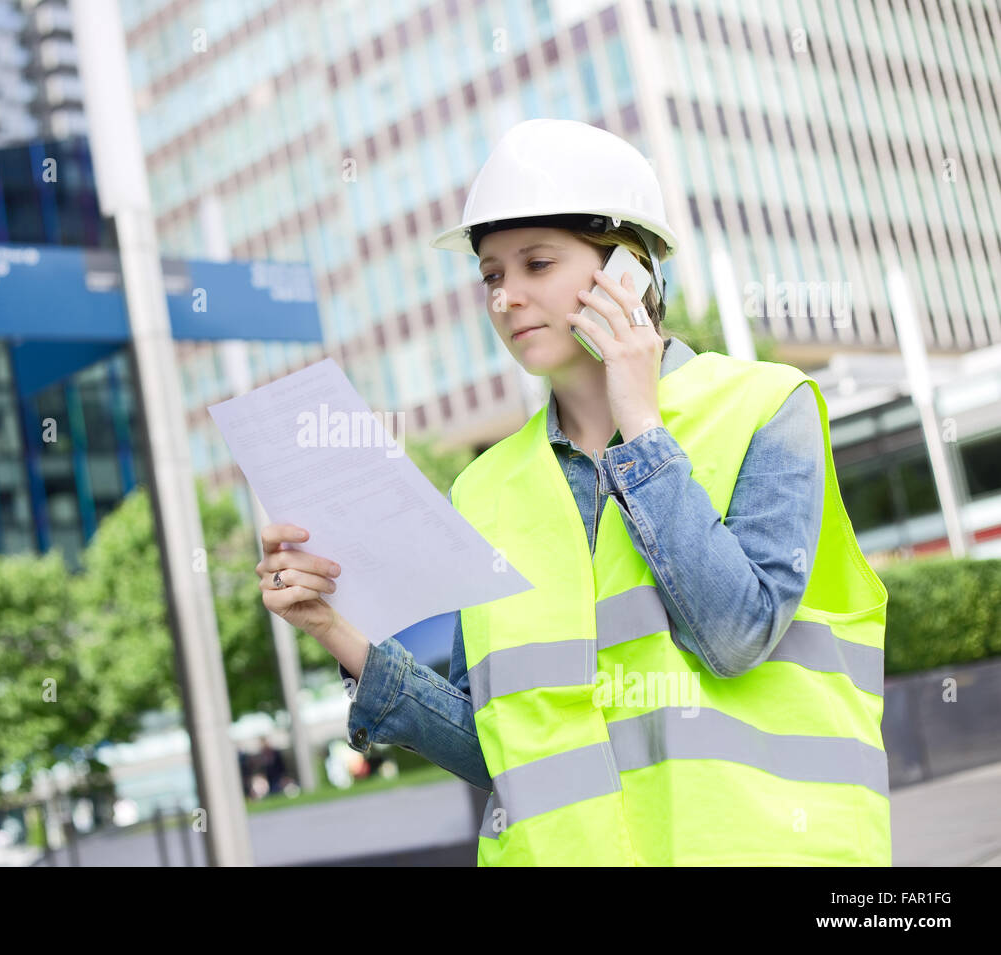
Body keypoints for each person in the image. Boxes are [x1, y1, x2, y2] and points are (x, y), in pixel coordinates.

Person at [255, 119, 889, 866]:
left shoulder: (763, 407)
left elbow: (735, 637)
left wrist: (642, 429)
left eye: (537, 263)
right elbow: (505, 754)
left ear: (633, 268)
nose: (505, 297)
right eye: (492, 274)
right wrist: (339, 632)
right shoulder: (486, 487)